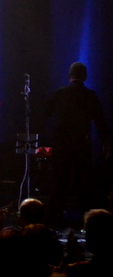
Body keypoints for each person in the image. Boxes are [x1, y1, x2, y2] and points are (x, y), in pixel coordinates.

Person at [43, 62, 110, 225]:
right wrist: (106, 143)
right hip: (82, 144)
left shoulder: (59, 94)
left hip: (62, 145)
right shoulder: (90, 96)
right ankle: (88, 223)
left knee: (59, 183)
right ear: (85, 77)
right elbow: (101, 122)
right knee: (84, 185)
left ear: (69, 76)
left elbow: (43, 115)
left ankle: (52, 222)